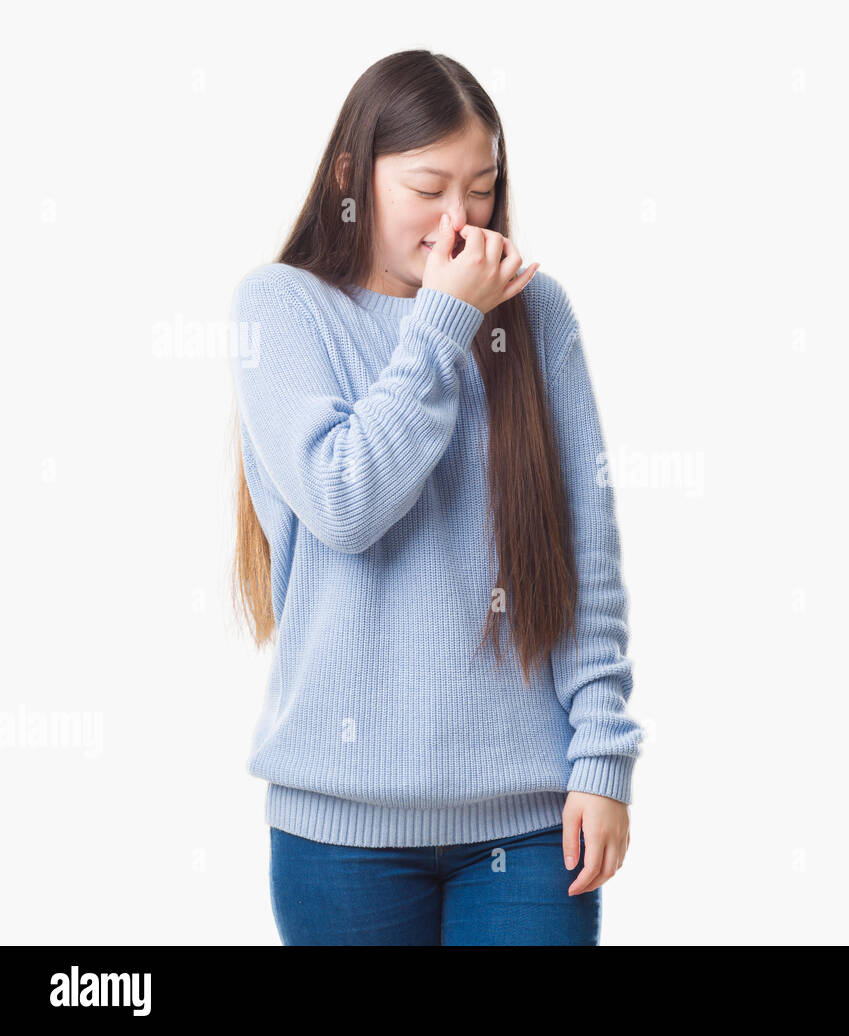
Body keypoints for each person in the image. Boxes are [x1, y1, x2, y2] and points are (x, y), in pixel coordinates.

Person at [227, 49, 644, 945]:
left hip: (530, 828)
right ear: (352, 177)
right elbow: (347, 499)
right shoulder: (280, 309)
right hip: (338, 833)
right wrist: (448, 321)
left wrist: (604, 758)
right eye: (428, 186)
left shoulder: (538, 314)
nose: (460, 219)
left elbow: (587, 550)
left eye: (483, 188)